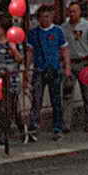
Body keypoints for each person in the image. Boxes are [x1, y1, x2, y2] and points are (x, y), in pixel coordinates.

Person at [0, 20, 30, 150]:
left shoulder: (13, 41)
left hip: (10, 79)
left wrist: (13, 49)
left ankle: (22, 130)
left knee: (12, 107)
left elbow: (20, 59)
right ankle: (1, 137)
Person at [26, 9, 69, 137]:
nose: (46, 19)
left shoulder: (57, 31)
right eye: (43, 17)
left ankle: (57, 127)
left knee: (56, 99)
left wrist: (67, 67)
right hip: (39, 69)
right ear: (38, 19)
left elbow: (64, 48)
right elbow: (29, 51)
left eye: (48, 16)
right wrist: (27, 69)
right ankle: (33, 126)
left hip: (54, 68)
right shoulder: (34, 33)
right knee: (36, 99)